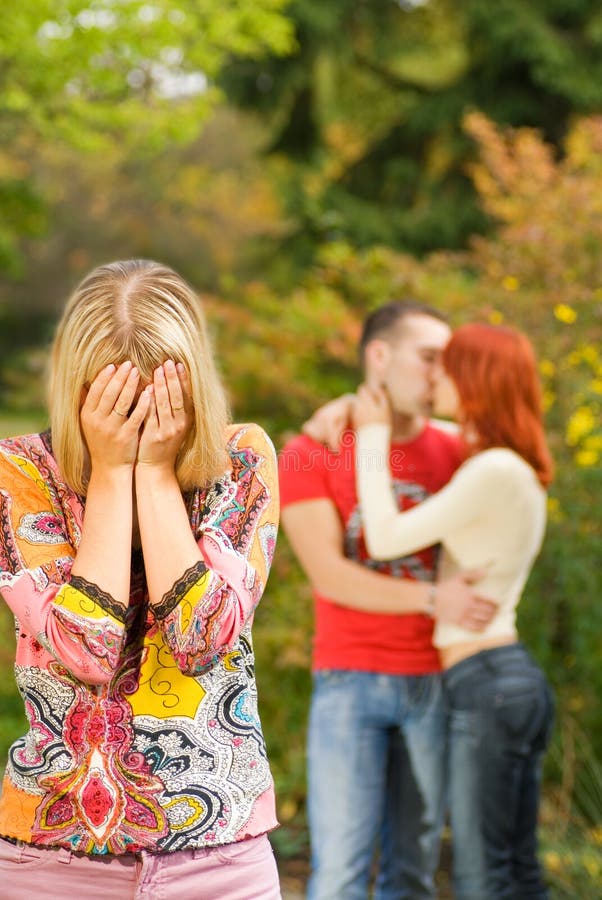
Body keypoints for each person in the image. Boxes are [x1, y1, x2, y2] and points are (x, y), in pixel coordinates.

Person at [0, 260, 281, 900]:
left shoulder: (240, 460)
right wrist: (108, 475)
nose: (137, 423)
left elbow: (200, 640)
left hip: (222, 857)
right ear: (78, 389)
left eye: (159, 400)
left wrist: (153, 475)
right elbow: (86, 651)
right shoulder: (19, 473)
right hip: (54, 864)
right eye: (115, 402)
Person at [278, 301, 497, 900]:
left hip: (438, 681)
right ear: (379, 355)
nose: (441, 373)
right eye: (428, 358)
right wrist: (433, 598)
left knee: (414, 875)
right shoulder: (311, 451)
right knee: (339, 875)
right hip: (349, 681)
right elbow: (330, 576)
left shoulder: (459, 451)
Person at [354, 322, 555, 900]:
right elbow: (440, 429)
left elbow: (384, 538)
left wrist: (371, 436)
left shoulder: (492, 471)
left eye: (446, 366)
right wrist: (355, 411)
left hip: (486, 681)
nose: (435, 377)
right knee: (517, 872)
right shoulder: (510, 467)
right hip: (508, 680)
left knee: (481, 877)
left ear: (474, 379)